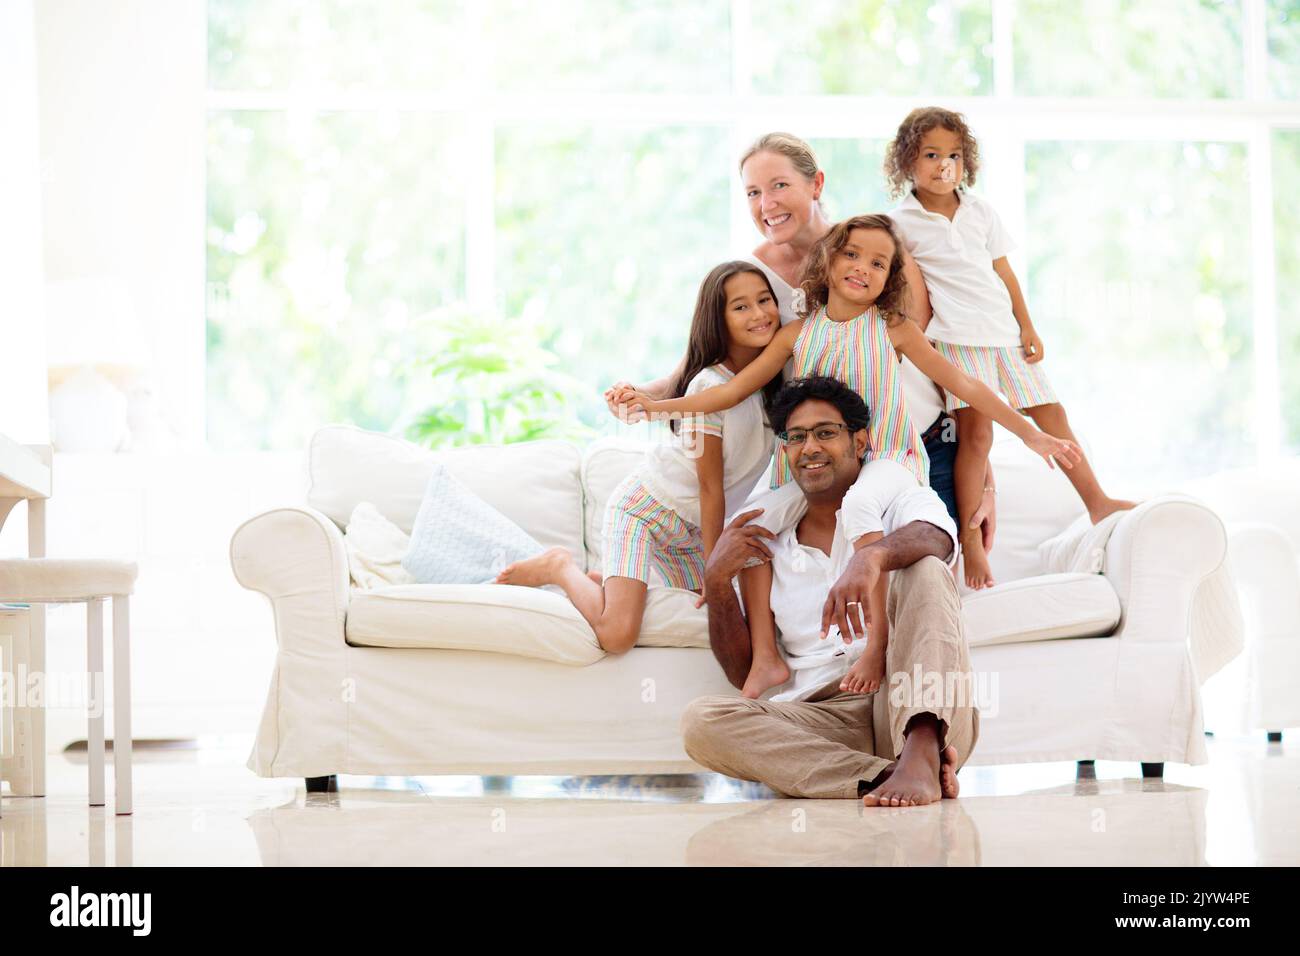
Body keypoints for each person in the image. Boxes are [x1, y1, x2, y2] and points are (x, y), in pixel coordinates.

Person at [614, 215, 1081, 696]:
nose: (862, 268)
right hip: (819, 463)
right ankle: (767, 658)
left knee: (859, 503)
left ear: (890, 278)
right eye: (852, 255)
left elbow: (965, 384)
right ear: (829, 260)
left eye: (878, 263)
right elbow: (730, 392)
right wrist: (655, 406)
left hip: (885, 457)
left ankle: (876, 645)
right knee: (751, 524)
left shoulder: (893, 329)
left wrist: (1030, 434)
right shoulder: (798, 333)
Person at [605, 132, 993, 535]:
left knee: (930, 565)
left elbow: (945, 359)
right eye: (753, 193)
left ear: (816, 184)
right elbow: (702, 367)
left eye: (779, 185)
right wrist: (637, 395)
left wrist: (982, 471)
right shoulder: (752, 279)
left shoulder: (873, 250)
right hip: (827, 463)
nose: (766, 204)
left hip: (918, 447)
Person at [680, 375, 979, 807]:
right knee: (701, 722)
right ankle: (884, 774)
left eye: (825, 433)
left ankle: (922, 749)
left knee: (927, 568)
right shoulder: (768, 541)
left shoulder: (894, 499)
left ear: (859, 442)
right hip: (825, 716)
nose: (810, 448)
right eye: (797, 437)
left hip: (908, 696)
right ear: (785, 450)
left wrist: (872, 557)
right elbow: (743, 672)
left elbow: (939, 538)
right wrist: (717, 581)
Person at [884, 107, 1137, 589]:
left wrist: (1027, 325)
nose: (944, 165)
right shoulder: (900, 223)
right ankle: (971, 543)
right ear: (907, 161)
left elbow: (1004, 273)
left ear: (966, 162)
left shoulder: (980, 211)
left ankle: (1097, 502)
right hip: (959, 342)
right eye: (931, 155)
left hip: (1003, 335)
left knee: (1054, 415)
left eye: (954, 156)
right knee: (977, 440)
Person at [494, 261, 779, 652]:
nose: (760, 314)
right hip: (645, 513)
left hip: (691, 529)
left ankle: (603, 583)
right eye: (741, 307)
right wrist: (716, 573)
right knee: (617, 635)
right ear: (719, 320)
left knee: (726, 623)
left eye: (765, 300)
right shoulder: (708, 386)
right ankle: (560, 566)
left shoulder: (765, 383)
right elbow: (710, 487)